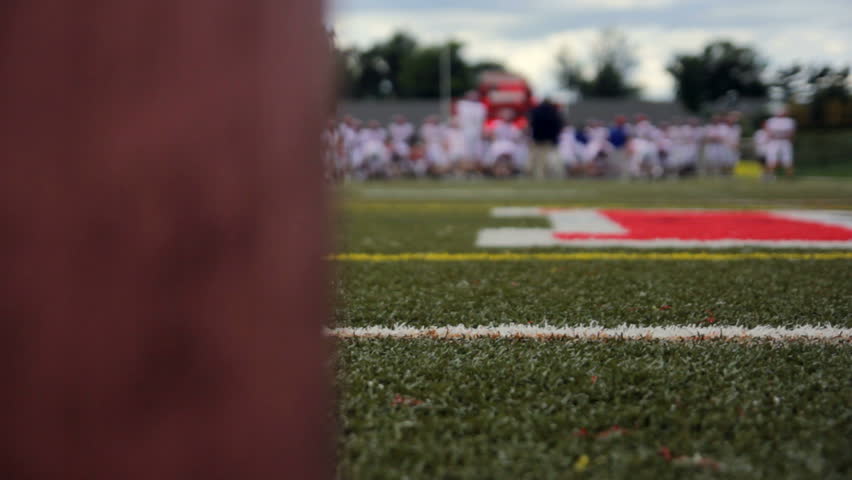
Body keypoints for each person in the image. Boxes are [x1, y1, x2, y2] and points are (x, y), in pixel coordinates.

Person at [528, 98, 564, 179]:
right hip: (552, 139)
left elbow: (532, 124)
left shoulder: (536, 111)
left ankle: (539, 175)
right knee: (554, 158)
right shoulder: (554, 111)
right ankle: (559, 174)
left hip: (538, 139)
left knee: (539, 159)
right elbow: (559, 125)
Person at [456, 90, 488, 167]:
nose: (473, 97)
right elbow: (460, 117)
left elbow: (482, 120)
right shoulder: (462, 104)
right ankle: (465, 166)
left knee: (478, 150)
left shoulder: (481, 106)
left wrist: (483, 130)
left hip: (477, 130)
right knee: (465, 150)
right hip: (465, 130)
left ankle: (476, 166)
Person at [764, 108, 796, 177]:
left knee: (787, 159)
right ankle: (770, 174)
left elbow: (791, 132)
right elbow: (768, 131)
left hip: (785, 141)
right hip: (774, 141)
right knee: (772, 158)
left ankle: (789, 176)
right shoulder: (771, 120)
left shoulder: (789, 121)